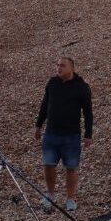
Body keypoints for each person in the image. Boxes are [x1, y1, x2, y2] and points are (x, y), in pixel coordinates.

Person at [34, 56, 93, 212]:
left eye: (62, 65)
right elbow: (45, 104)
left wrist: (88, 134)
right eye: (57, 65)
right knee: (48, 165)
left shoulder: (82, 87)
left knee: (71, 168)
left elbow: (88, 112)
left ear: (71, 68)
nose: (59, 68)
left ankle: (70, 198)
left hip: (71, 136)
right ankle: (50, 195)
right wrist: (38, 125)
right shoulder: (52, 83)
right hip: (51, 133)